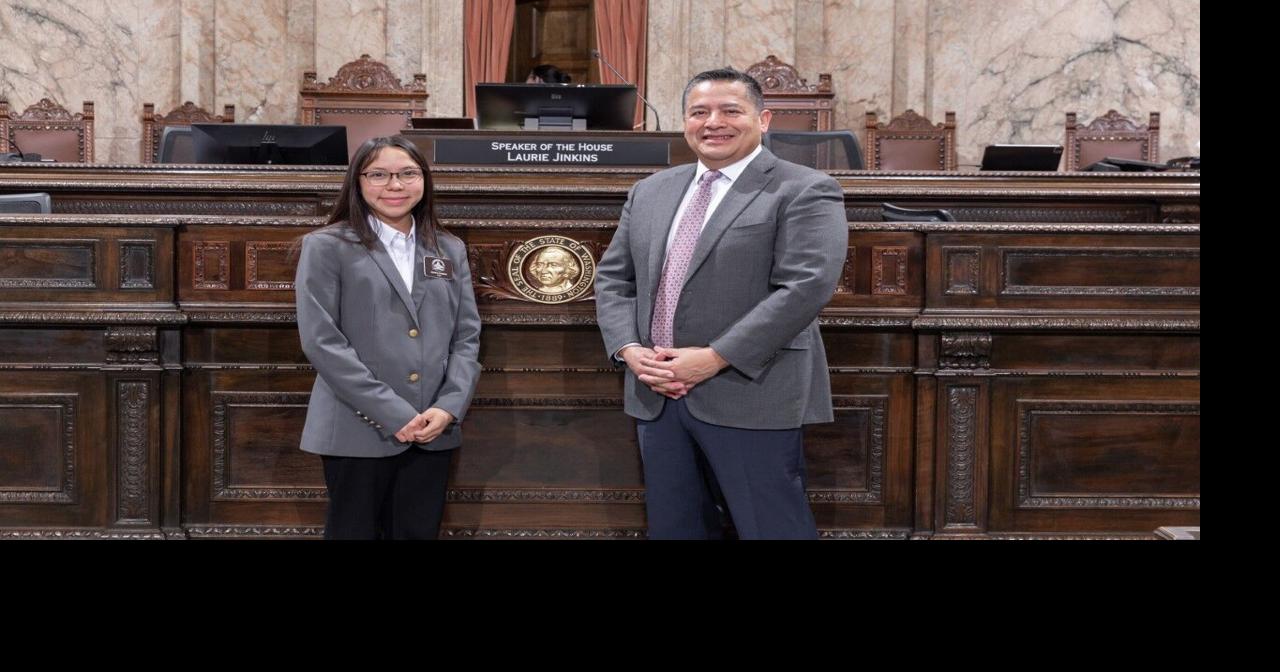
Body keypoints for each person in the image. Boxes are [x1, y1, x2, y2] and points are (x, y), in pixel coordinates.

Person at [594, 68, 848, 539]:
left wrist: (713, 358)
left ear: (763, 118)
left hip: (750, 389)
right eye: (700, 112)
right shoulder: (651, 190)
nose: (714, 122)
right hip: (658, 394)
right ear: (685, 121)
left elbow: (805, 287)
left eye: (731, 110)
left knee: (772, 527)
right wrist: (630, 350)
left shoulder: (804, 188)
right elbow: (613, 278)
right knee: (675, 528)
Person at [295, 135, 481, 540]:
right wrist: (394, 414)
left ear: (424, 180)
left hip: (432, 430)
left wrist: (449, 407)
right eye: (378, 174)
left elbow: (466, 337)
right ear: (357, 182)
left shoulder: (448, 248)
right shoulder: (327, 246)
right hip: (356, 428)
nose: (394, 186)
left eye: (407, 174)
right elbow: (321, 340)